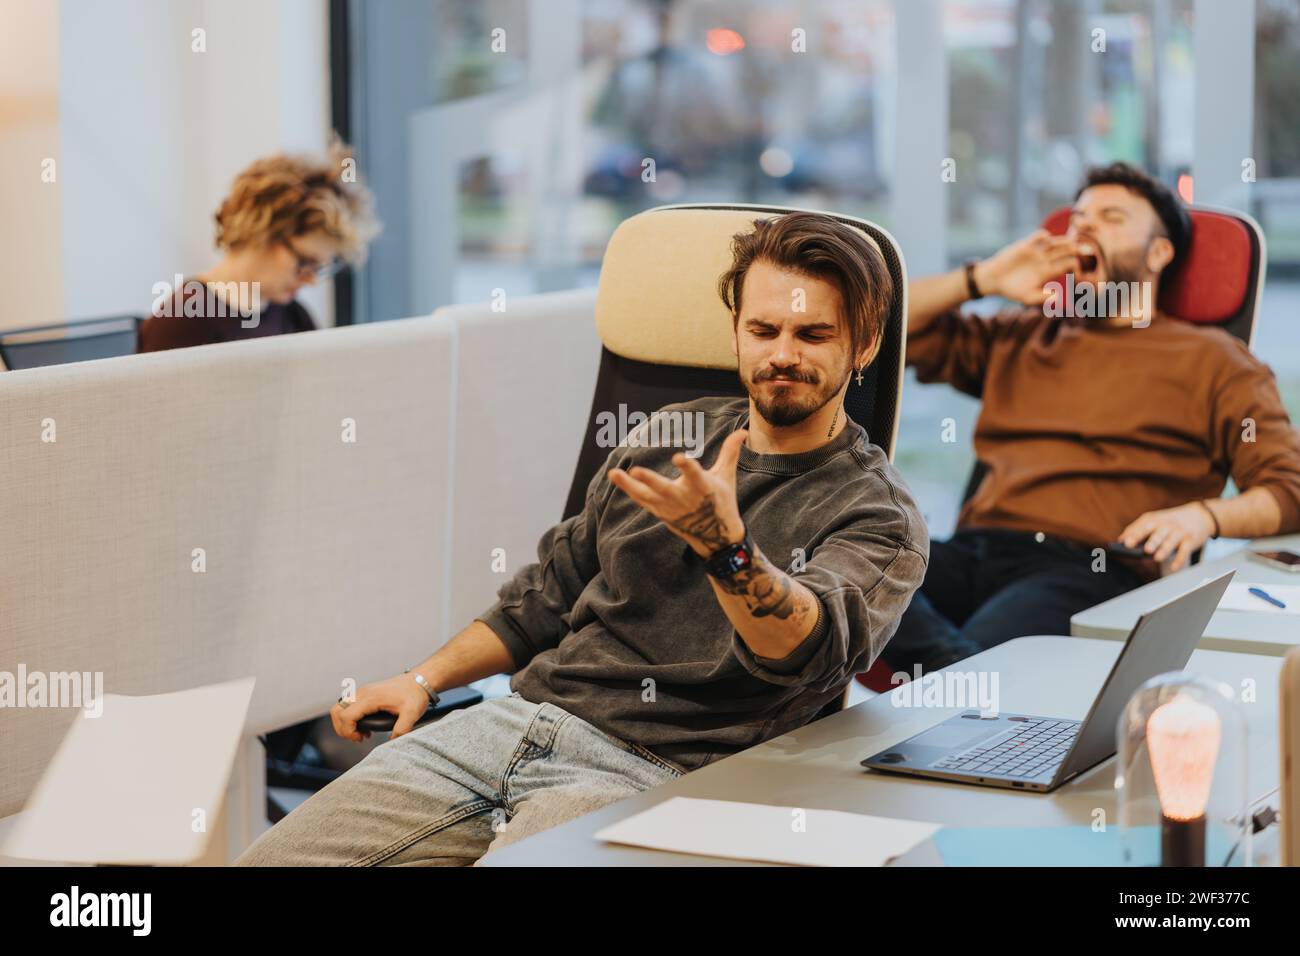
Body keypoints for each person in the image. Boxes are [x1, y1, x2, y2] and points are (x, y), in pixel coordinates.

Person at [235, 212, 927, 865]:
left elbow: (806, 652)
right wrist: (423, 679)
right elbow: (546, 594)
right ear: (737, 333)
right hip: (515, 723)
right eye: (764, 329)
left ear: (862, 345)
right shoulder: (667, 435)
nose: (782, 354)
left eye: (812, 336)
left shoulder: (878, 514)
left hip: (653, 772)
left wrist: (727, 549)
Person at [888, 161, 1300, 675]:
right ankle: (961, 670)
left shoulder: (1216, 360)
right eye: (1078, 217)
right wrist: (983, 278)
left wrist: (1205, 517)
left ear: (1159, 251)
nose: (1083, 226)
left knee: (970, 674)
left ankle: (964, 676)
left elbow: (1289, 491)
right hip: (971, 551)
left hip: (1087, 567)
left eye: (1111, 216)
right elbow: (883, 329)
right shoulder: (1025, 332)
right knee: (843, 578)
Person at [137, 142, 378, 353]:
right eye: (305, 263)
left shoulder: (292, 315)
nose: (310, 280)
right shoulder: (184, 321)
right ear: (262, 232)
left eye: (320, 268)